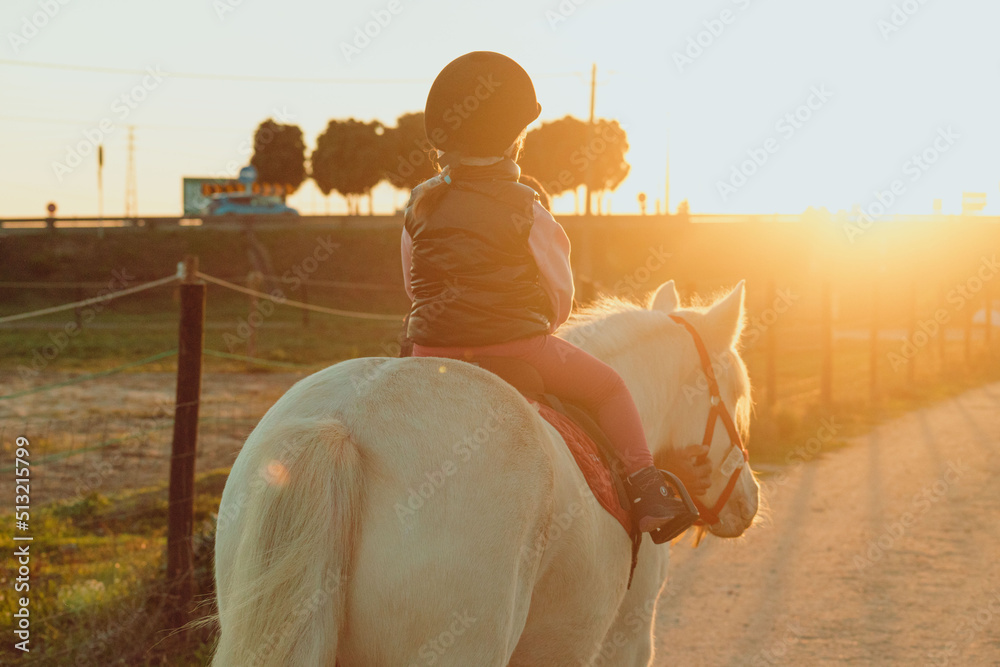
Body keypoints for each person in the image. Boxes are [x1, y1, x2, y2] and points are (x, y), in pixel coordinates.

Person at [401, 51, 704, 533]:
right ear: (516, 139)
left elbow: (413, 284)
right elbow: (559, 300)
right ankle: (647, 490)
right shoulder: (531, 210)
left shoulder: (421, 203)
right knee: (610, 387)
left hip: (429, 349)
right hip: (518, 345)